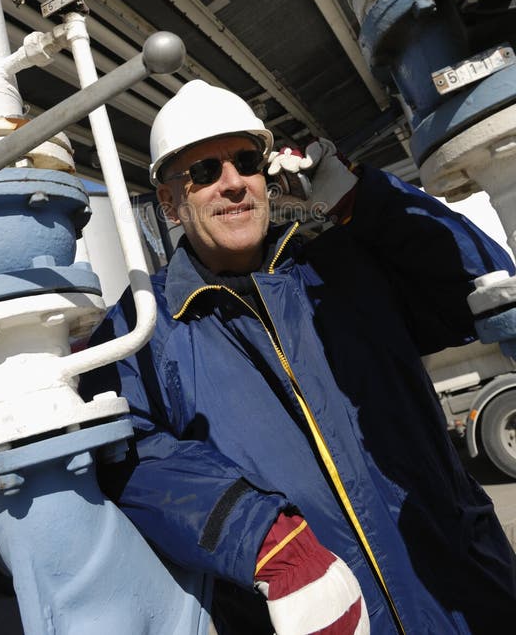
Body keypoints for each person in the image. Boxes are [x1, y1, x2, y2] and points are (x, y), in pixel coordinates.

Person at [81, 80, 516, 635]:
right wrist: (260, 537)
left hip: (465, 601)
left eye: (245, 161)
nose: (234, 184)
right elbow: (118, 451)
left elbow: (481, 285)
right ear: (169, 202)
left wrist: (364, 199)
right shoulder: (145, 330)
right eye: (206, 172)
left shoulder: (347, 269)